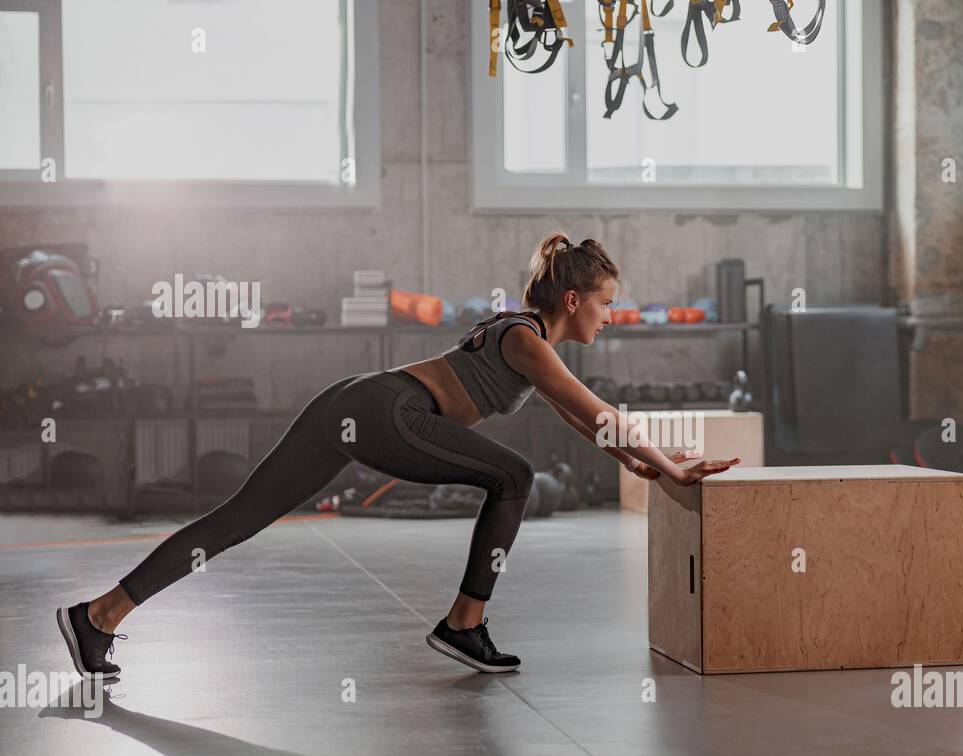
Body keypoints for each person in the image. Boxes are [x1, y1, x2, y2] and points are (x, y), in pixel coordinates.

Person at [56, 234, 739, 678]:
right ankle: (463, 627)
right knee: (514, 475)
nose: (610, 316)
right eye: (606, 304)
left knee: (238, 519)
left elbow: (581, 419)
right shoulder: (528, 340)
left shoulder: (531, 342)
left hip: (354, 404)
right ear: (572, 299)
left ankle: (98, 617)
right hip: (387, 411)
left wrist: (633, 459)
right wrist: (672, 465)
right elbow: (597, 408)